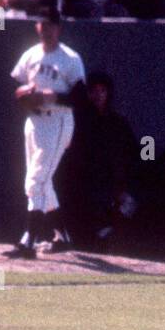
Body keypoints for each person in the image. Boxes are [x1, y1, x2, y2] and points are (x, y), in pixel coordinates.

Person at [5, 9, 86, 258]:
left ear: (59, 28)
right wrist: (25, 93)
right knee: (43, 183)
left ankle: (28, 240)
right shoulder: (30, 54)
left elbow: (81, 98)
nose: (46, 28)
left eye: (51, 24)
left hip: (58, 122)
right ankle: (62, 237)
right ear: (36, 27)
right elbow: (16, 85)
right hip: (34, 122)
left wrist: (52, 96)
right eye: (42, 23)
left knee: (35, 181)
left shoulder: (70, 58)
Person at [56, 70, 139, 249]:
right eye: (94, 91)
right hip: (79, 185)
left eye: (102, 91)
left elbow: (138, 149)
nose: (98, 95)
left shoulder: (118, 122)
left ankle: (104, 230)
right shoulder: (76, 120)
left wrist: (150, 157)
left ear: (108, 93)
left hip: (109, 186)